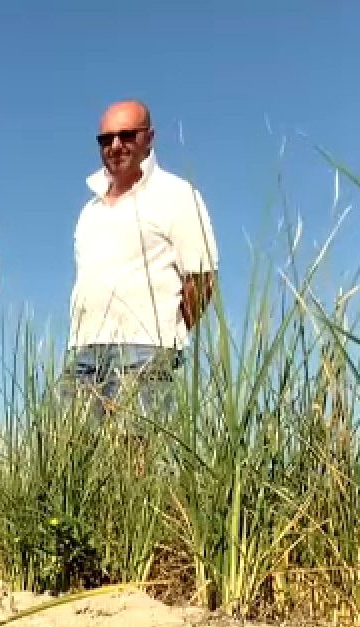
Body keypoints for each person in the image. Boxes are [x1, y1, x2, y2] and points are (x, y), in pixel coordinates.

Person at [65, 100, 218, 417]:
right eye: (105, 139)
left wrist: (166, 334)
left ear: (148, 137)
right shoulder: (89, 211)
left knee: (136, 455)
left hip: (145, 349)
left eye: (126, 136)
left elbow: (202, 278)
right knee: (73, 456)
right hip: (85, 350)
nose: (115, 146)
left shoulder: (176, 194)